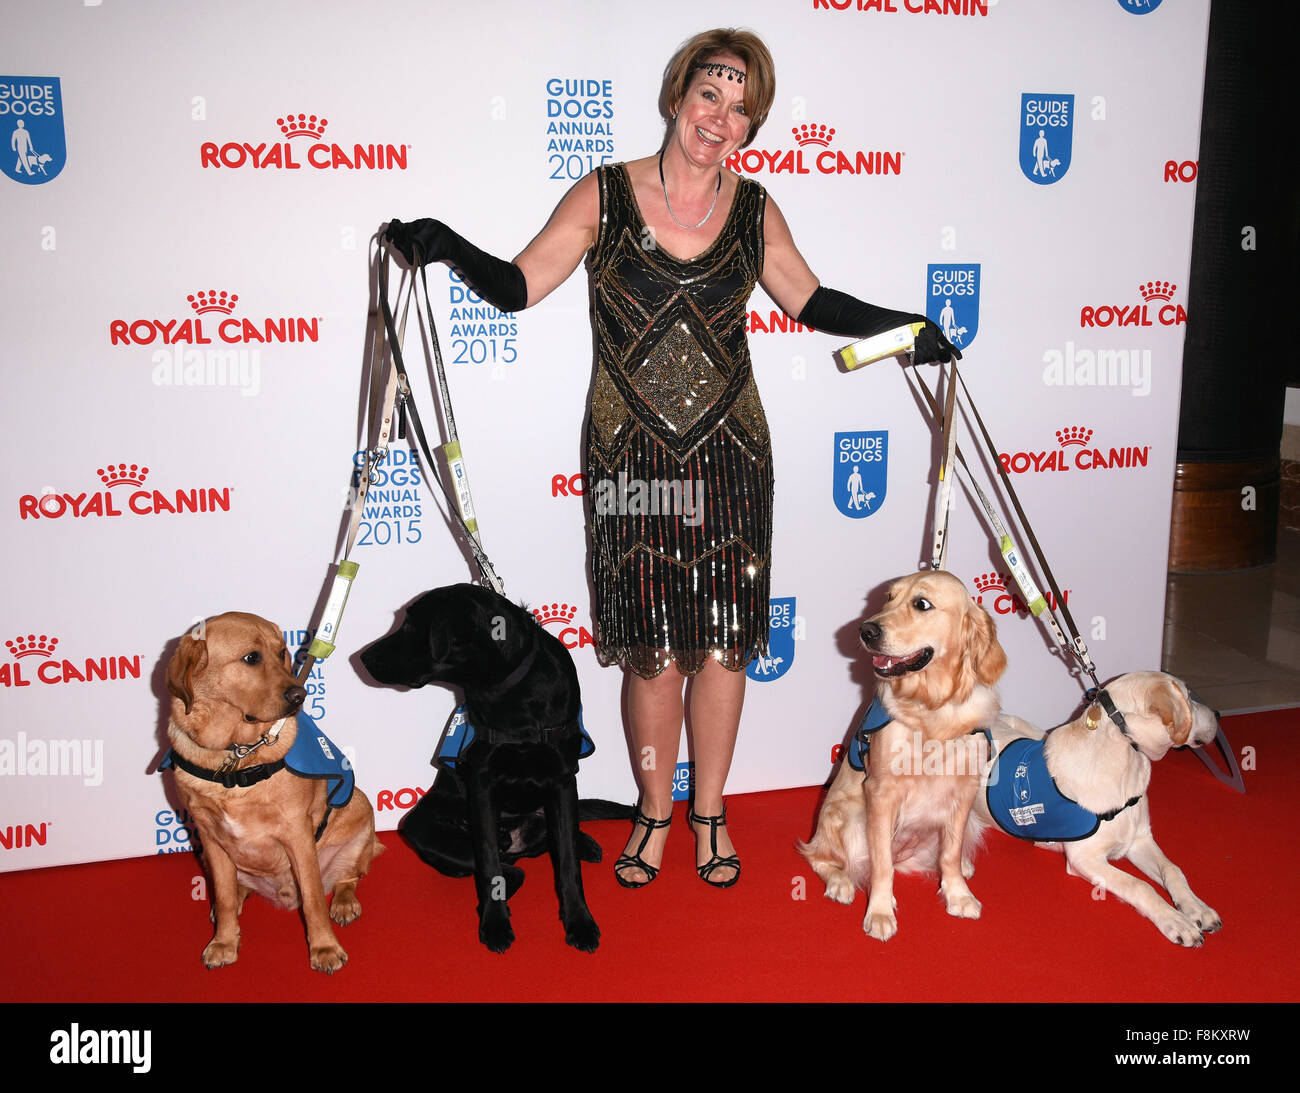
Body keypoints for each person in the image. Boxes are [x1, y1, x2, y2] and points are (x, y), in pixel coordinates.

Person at [385, 28, 955, 891]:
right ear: (677, 94)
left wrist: (904, 326)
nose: (719, 119)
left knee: (725, 646)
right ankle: (654, 812)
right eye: (709, 96)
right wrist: (443, 242)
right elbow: (516, 285)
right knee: (649, 649)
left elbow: (814, 299)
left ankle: (709, 812)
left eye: (741, 109)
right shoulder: (605, 195)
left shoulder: (756, 208)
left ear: (752, 128)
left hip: (732, 458)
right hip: (629, 463)